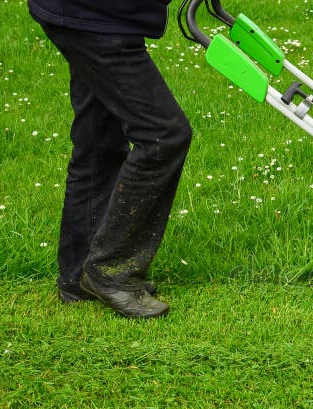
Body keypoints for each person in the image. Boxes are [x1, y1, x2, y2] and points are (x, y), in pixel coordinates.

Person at [28, 0, 192, 318]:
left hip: (94, 16)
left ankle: (77, 276)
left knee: (99, 139)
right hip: (92, 15)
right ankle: (110, 271)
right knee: (163, 136)